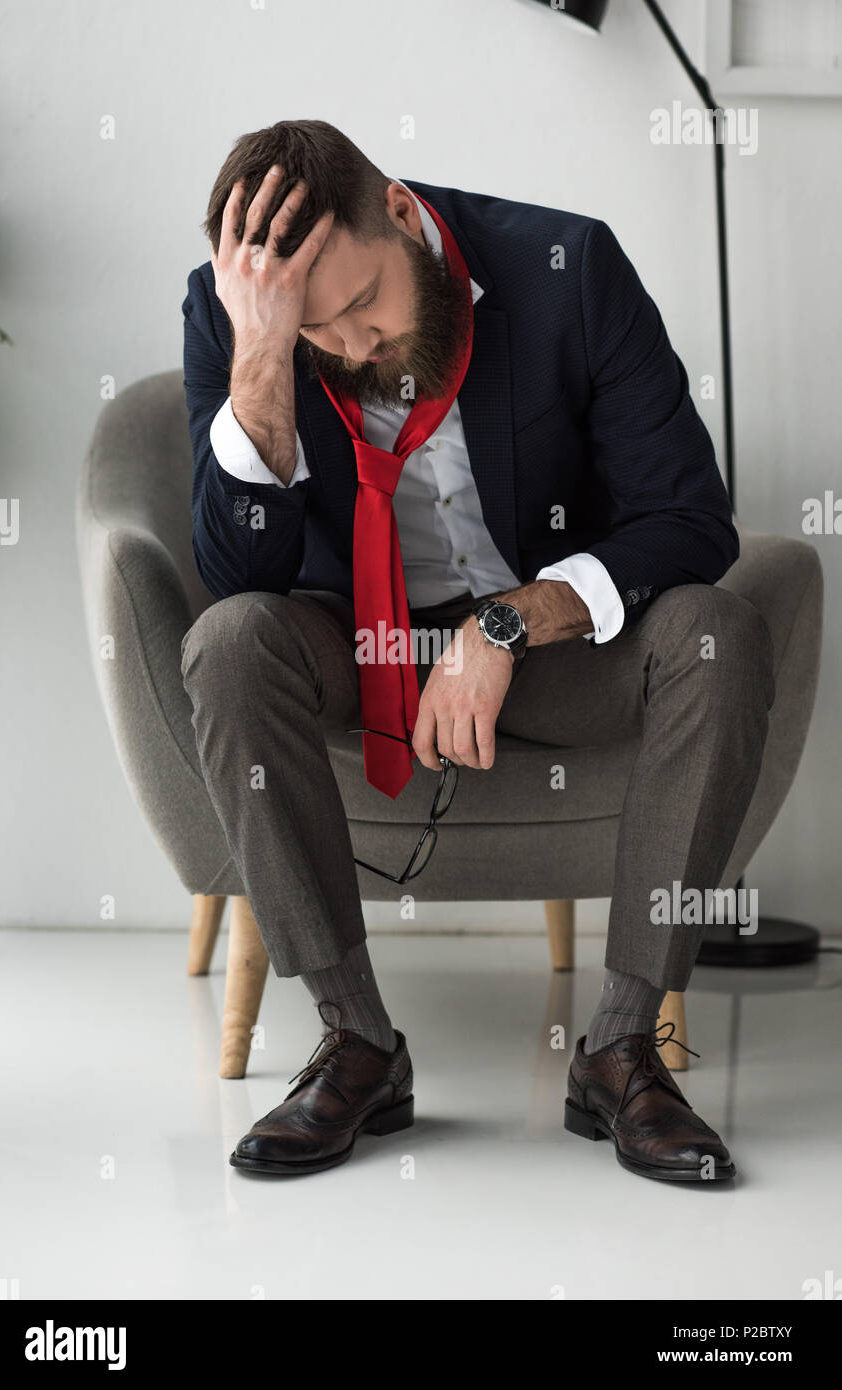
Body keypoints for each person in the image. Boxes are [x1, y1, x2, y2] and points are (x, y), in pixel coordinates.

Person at [180, 119, 774, 1182]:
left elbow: (689, 520)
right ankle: (357, 1041)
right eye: (321, 332)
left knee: (719, 635)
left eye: (364, 304)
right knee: (228, 643)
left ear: (403, 214)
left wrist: (506, 621)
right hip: (350, 639)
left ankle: (624, 1050)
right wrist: (266, 354)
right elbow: (240, 573)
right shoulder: (233, 319)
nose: (355, 349)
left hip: (549, 645)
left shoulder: (570, 269)